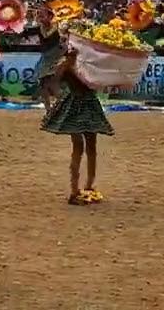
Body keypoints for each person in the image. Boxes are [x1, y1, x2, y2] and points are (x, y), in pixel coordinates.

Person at [40, 49, 113, 204]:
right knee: (80, 146)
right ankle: (75, 190)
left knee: (89, 145)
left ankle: (88, 186)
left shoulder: (85, 62)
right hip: (79, 103)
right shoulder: (69, 64)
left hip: (84, 102)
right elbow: (51, 82)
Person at [31, 5, 65, 110]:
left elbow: (47, 35)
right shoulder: (41, 27)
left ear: (50, 16)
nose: (40, 17)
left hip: (55, 58)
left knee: (51, 84)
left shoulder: (56, 26)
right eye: (39, 15)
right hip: (46, 58)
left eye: (42, 15)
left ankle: (62, 105)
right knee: (44, 85)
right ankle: (49, 108)